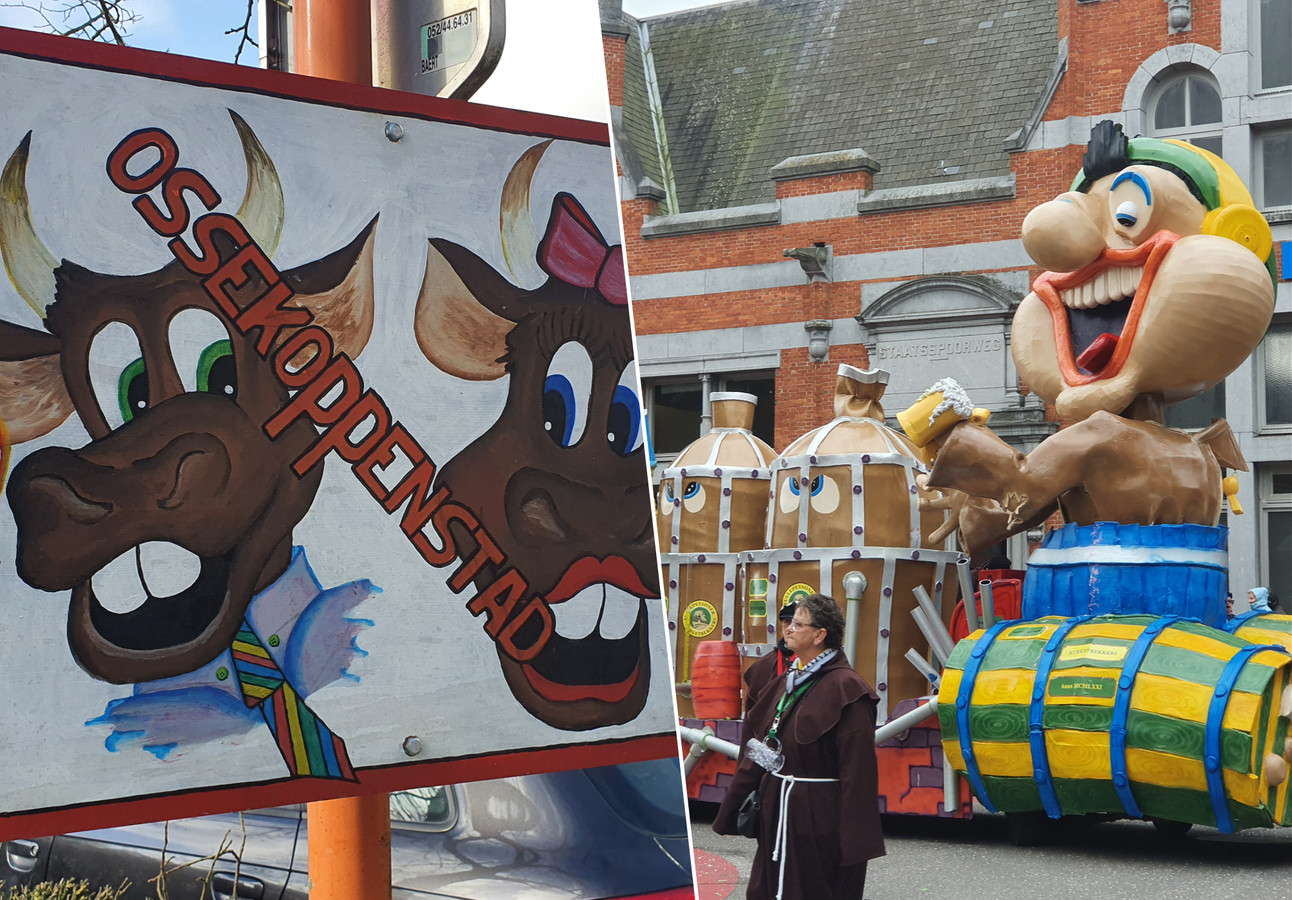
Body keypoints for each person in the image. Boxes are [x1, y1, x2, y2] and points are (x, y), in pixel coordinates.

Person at [713, 593, 884, 900]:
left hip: (818, 817)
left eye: (798, 624)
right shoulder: (787, 679)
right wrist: (734, 802)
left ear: (820, 635)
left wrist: (854, 840)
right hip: (777, 806)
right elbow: (762, 747)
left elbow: (858, 772)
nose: (788, 629)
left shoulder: (847, 689)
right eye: (789, 622)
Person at [743, 601, 798, 709]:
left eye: (797, 624)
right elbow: (752, 713)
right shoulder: (762, 666)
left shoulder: (818, 662)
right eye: (787, 622)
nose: (790, 628)